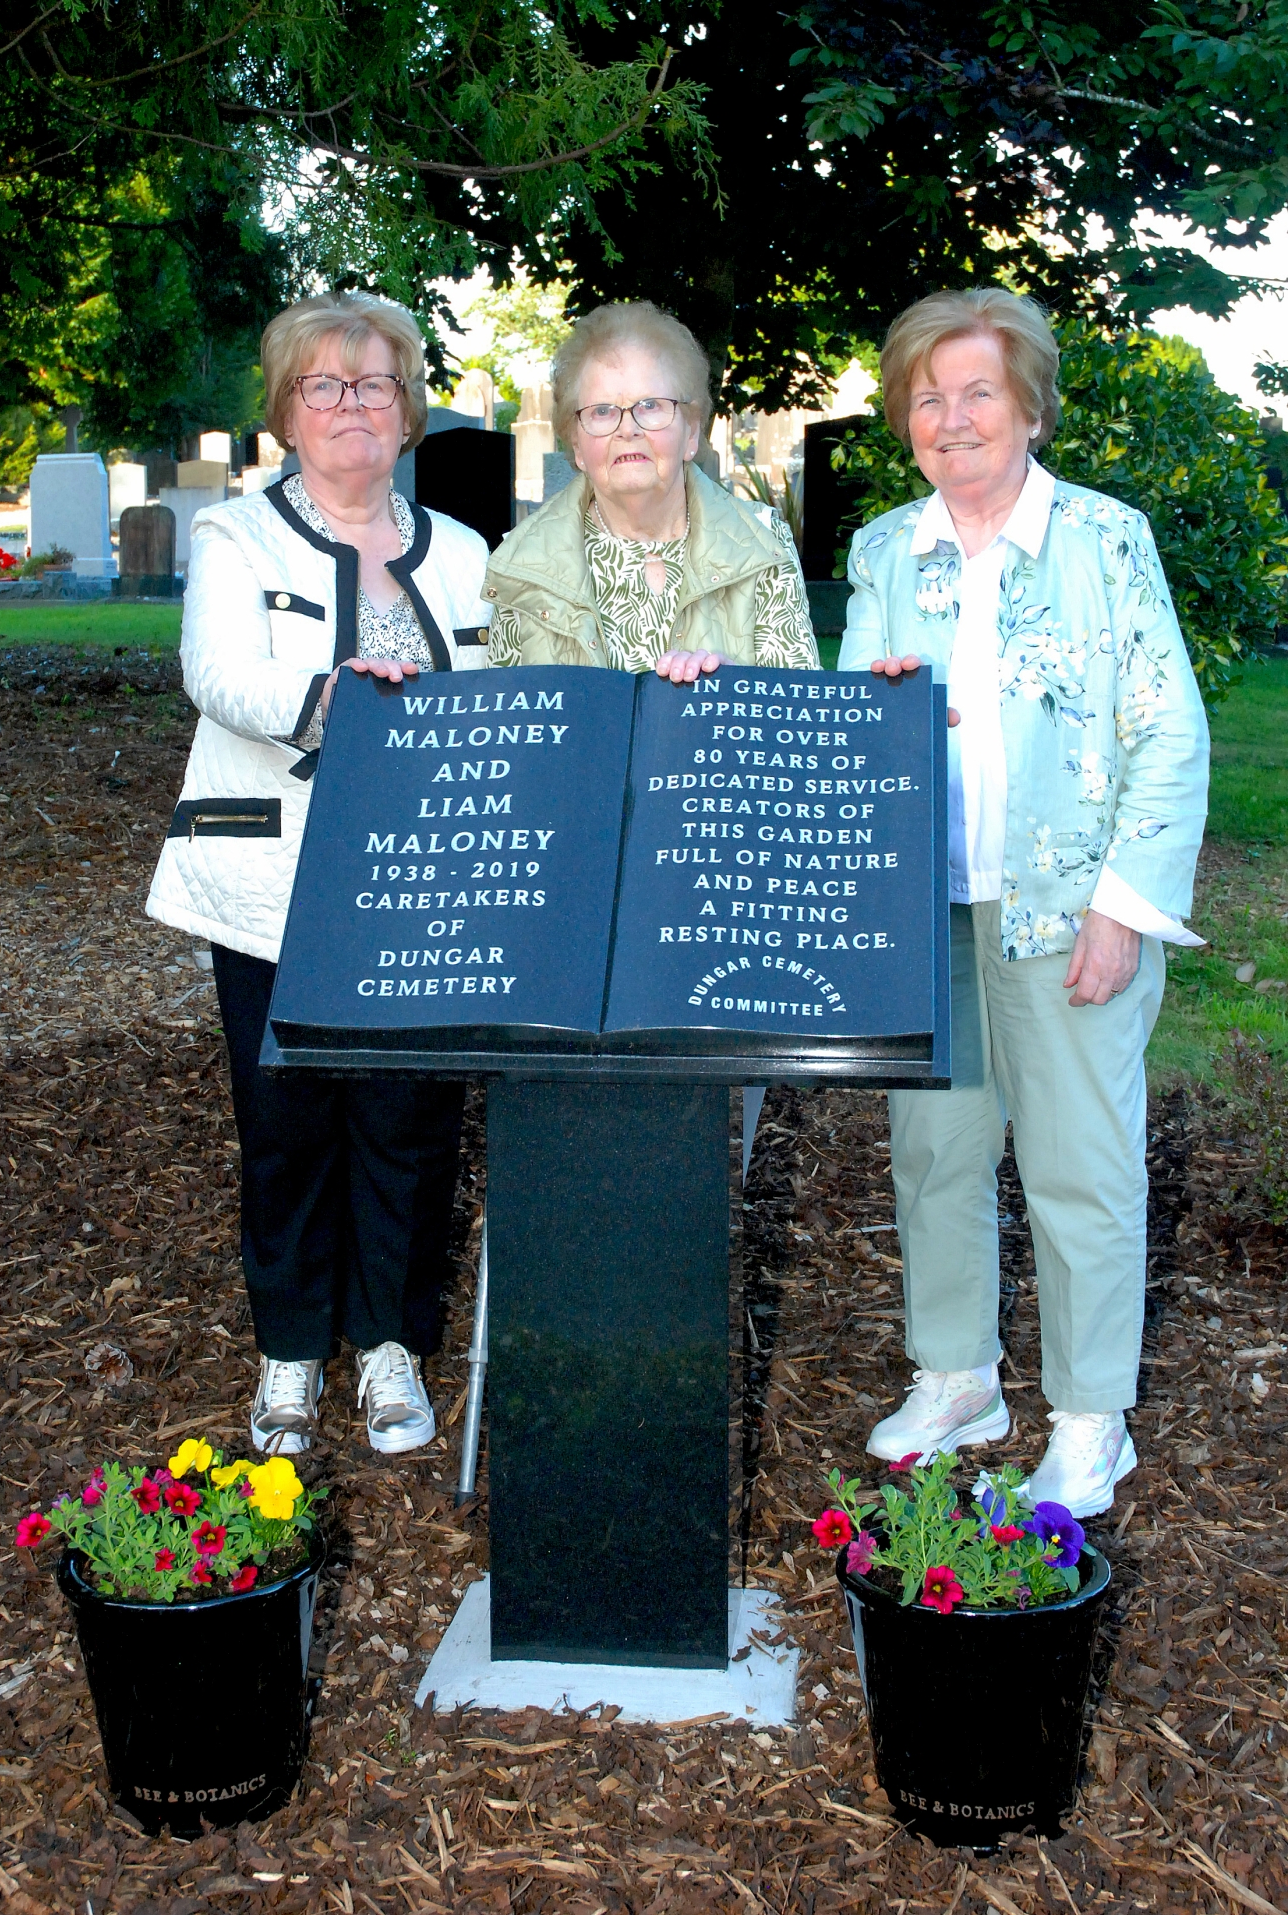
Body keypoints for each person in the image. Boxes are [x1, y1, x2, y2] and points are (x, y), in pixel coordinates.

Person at [838, 288, 1209, 1517]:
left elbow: (1170, 735)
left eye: (977, 391)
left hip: (1068, 912)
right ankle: (958, 1380)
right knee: (934, 1156)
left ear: (1030, 406)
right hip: (929, 910)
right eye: (927, 398)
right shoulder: (887, 549)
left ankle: (1091, 1415)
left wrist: (1125, 905)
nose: (951, 417)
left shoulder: (1107, 540)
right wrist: (874, 696)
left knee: (1079, 1168)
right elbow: (851, 717)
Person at [147, 291, 492, 1458]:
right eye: (324, 386)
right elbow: (217, 672)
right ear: (289, 411)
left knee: (406, 1120)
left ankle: (389, 1345)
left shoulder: (466, 555)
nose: (352, 406)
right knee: (285, 1121)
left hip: (427, 888)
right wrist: (327, 707)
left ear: (409, 411)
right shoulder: (236, 537)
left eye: (377, 385)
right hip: (273, 878)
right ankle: (291, 1354)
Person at [485, 300, 818, 677]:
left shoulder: (763, 541)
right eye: (602, 411)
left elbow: (798, 718)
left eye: (651, 405)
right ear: (577, 445)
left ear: (691, 432)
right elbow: (509, 728)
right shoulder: (524, 560)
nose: (628, 429)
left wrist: (734, 689)